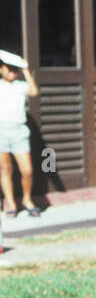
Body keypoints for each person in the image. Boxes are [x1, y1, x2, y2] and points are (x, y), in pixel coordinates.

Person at [0, 49, 39, 217]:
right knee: (5, 169)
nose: (12, 72)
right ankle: (10, 203)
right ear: (1, 69)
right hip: (1, 130)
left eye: (14, 69)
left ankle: (27, 199)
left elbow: (34, 91)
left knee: (27, 170)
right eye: (9, 68)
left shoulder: (20, 86)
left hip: (19, 131)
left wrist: (25, 69)